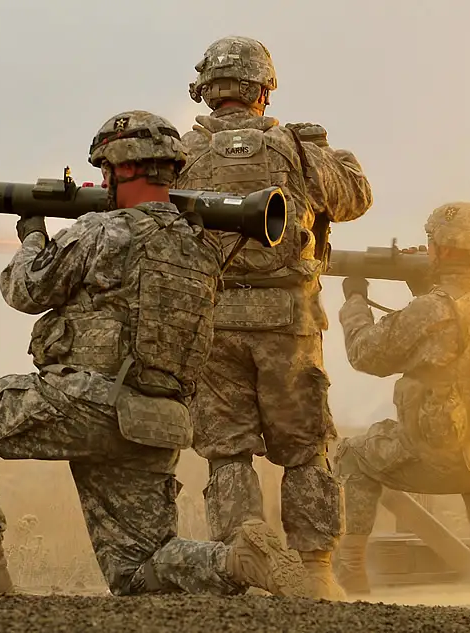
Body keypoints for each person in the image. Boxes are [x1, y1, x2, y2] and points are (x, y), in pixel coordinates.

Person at [0, 110, 307, 599]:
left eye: (106, 170)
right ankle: (237, 560)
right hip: (156, 421)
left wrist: (33, 235)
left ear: (123, 168)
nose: (102, 181)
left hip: (87, 403)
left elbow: (25, 290)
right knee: (139, 570)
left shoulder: (103, 231)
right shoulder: (202, 247)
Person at [174, 35, 373, 600]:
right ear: (263, 88)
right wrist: (322, 150)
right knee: (305, 448)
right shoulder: (299, 149)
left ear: (207, 90)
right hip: (289, 323)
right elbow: (356, 198)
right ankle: (314, 571)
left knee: (227, 450)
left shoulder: (180, 154)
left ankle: (245, 558)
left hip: (214, 320)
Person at [333, 202, 470, 595]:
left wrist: (355, 298)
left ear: (443, 249)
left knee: (353, 456)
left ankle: (351, 569)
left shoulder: (432, 309)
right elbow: (460, 334)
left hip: (448, 456)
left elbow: (365, 354)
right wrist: (425, 285)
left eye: (431, 241)